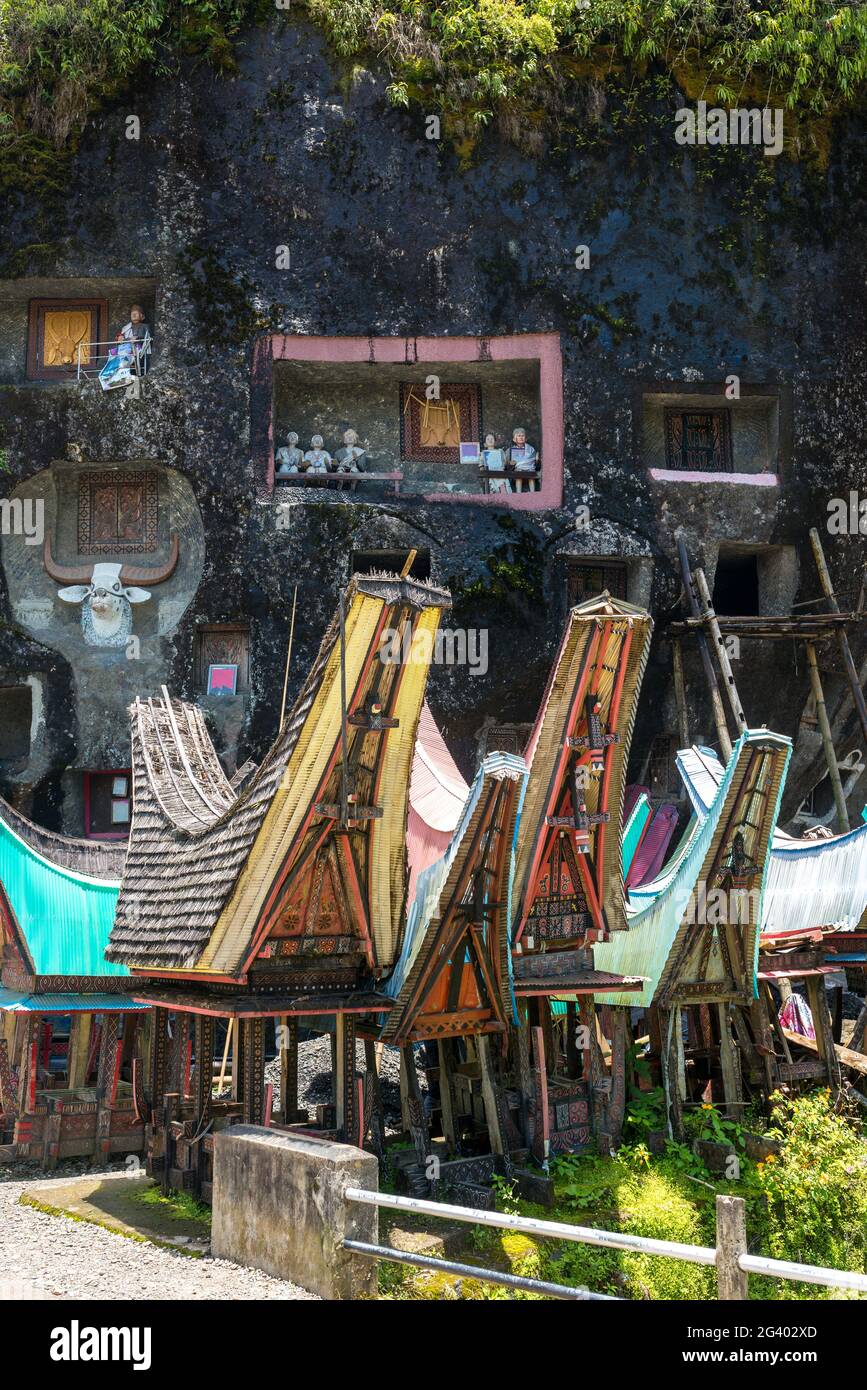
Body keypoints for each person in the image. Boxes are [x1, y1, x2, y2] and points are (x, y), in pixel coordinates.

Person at [508, 427, 539, 492]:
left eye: (523, 436)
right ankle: (518, 493)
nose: (521, 437)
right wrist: (510, 463)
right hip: (518, 469)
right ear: (514, 439)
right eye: (519, 436)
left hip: (530, 468)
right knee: (518, 475)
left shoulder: (530, 449)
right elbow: (507, 462)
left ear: (526, 438)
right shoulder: (511, 450)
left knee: (531, 474)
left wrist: (536, 459)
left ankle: (532, 493)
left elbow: (533, 459)